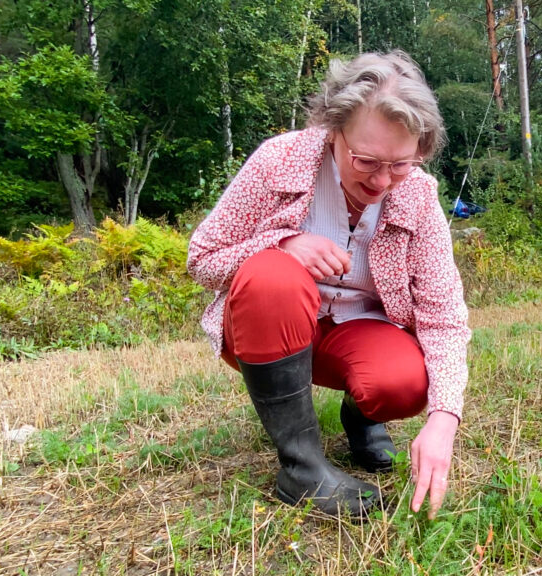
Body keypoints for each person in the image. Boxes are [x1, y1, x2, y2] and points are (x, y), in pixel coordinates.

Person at [187, 50, 471, 519]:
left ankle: (363, 419)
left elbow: (442, 316)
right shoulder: (280, 161)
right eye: (366, 161)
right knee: (272, 274)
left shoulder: (417, 196)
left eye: (400, 164)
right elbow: (202, 259)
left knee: (404, 381)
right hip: (267, 326)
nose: (382, 181)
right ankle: (301, 468)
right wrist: (283, 244)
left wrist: (443, 418)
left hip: (356, 331)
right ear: (333, 128)